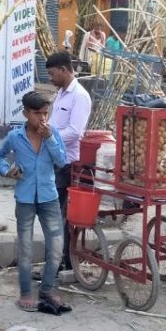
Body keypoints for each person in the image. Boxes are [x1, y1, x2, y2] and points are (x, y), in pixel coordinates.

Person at [0, 91, 70, 314]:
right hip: (25, 198)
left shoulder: (52, 133)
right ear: (26, 113)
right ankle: (26, 293)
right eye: (38, 113)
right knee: (26, 249)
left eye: (46, 113)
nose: (43, 118)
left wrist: (50, 138)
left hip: (49, 197)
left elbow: (62, 160)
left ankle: (47, 290)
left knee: (56, 247)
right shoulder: (14, 137)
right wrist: (6, 171)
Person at [46, 52, 92, 271]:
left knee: (59, 216)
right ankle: (58, 261)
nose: (50, 78)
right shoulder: (61, 94)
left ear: (64, 70)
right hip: (55, 159)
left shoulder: (80, 96)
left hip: (67, 164)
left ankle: (62, 263)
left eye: (52, 73)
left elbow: (75, 132)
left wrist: (48, 135)